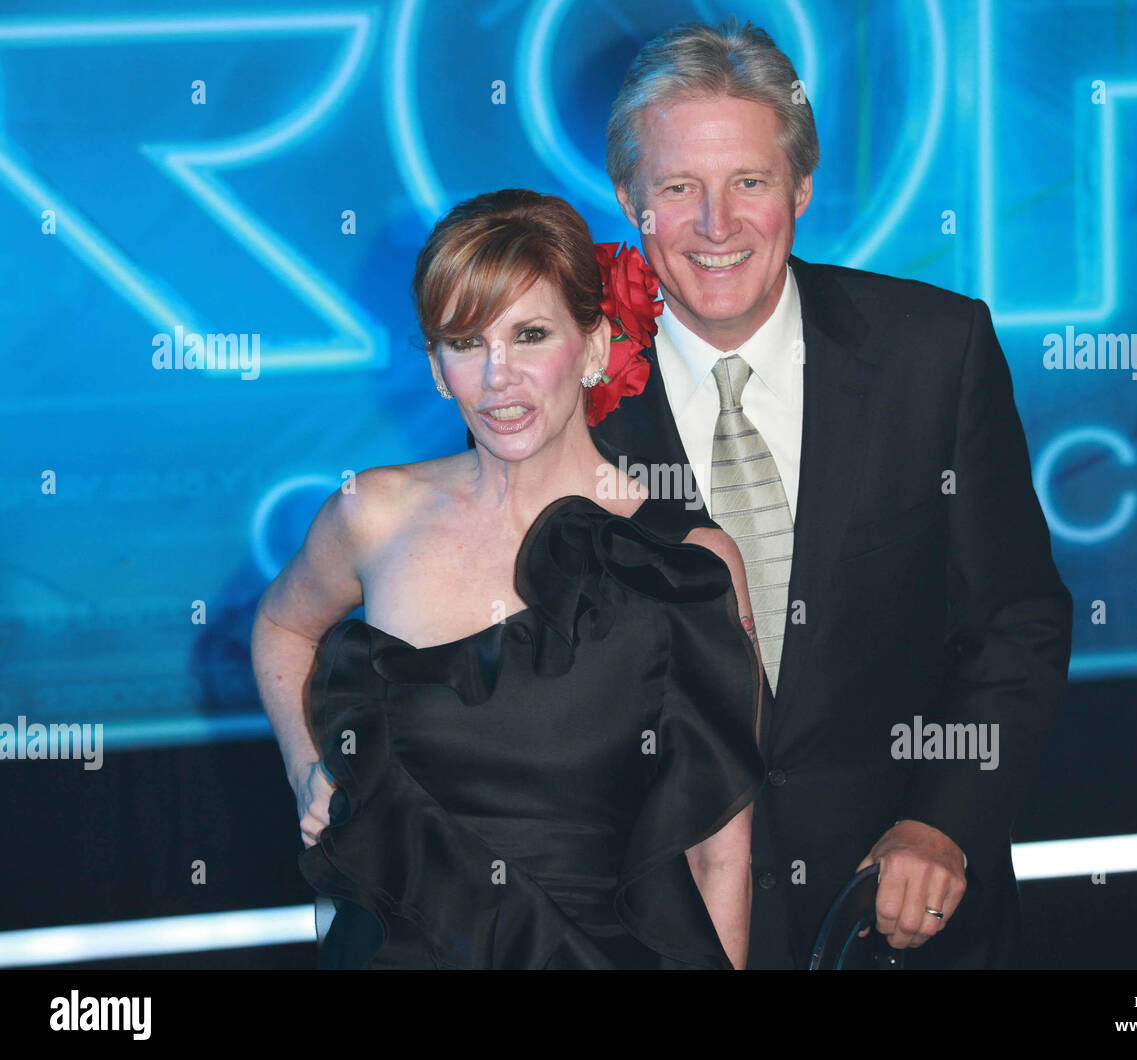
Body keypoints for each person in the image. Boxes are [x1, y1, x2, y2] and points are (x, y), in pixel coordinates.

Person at [590, 18, 1074, 969]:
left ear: (802, 187)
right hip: (655, 937)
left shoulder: (938, 350)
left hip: (902, 924)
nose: (716, 224)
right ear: (629, 200)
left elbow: (1016, 623)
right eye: (680, 188)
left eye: (750, 183)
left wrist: (944, 825)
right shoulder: (565, 398)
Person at [250, 188, 766, 969]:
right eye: (466, 342)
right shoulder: (373, 514)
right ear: (434, 367)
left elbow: (719, 855)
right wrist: (302, 766)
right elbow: (282, 625)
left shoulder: (685, 563)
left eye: (530, 335)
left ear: (594, 345)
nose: (499, 377)